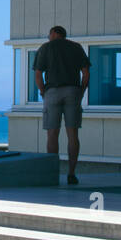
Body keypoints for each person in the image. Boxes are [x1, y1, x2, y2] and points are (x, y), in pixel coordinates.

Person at [34, 25, 91, 185]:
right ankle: (71, 173)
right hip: (73, 91)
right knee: (73, 134)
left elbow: (38, 74)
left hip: (52, 91)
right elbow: (85, 73)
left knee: (52, 134)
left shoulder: (45, 48)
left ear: (53, 33)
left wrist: (43, 91)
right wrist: (81, 91)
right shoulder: (76, 47)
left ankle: (52, 174)